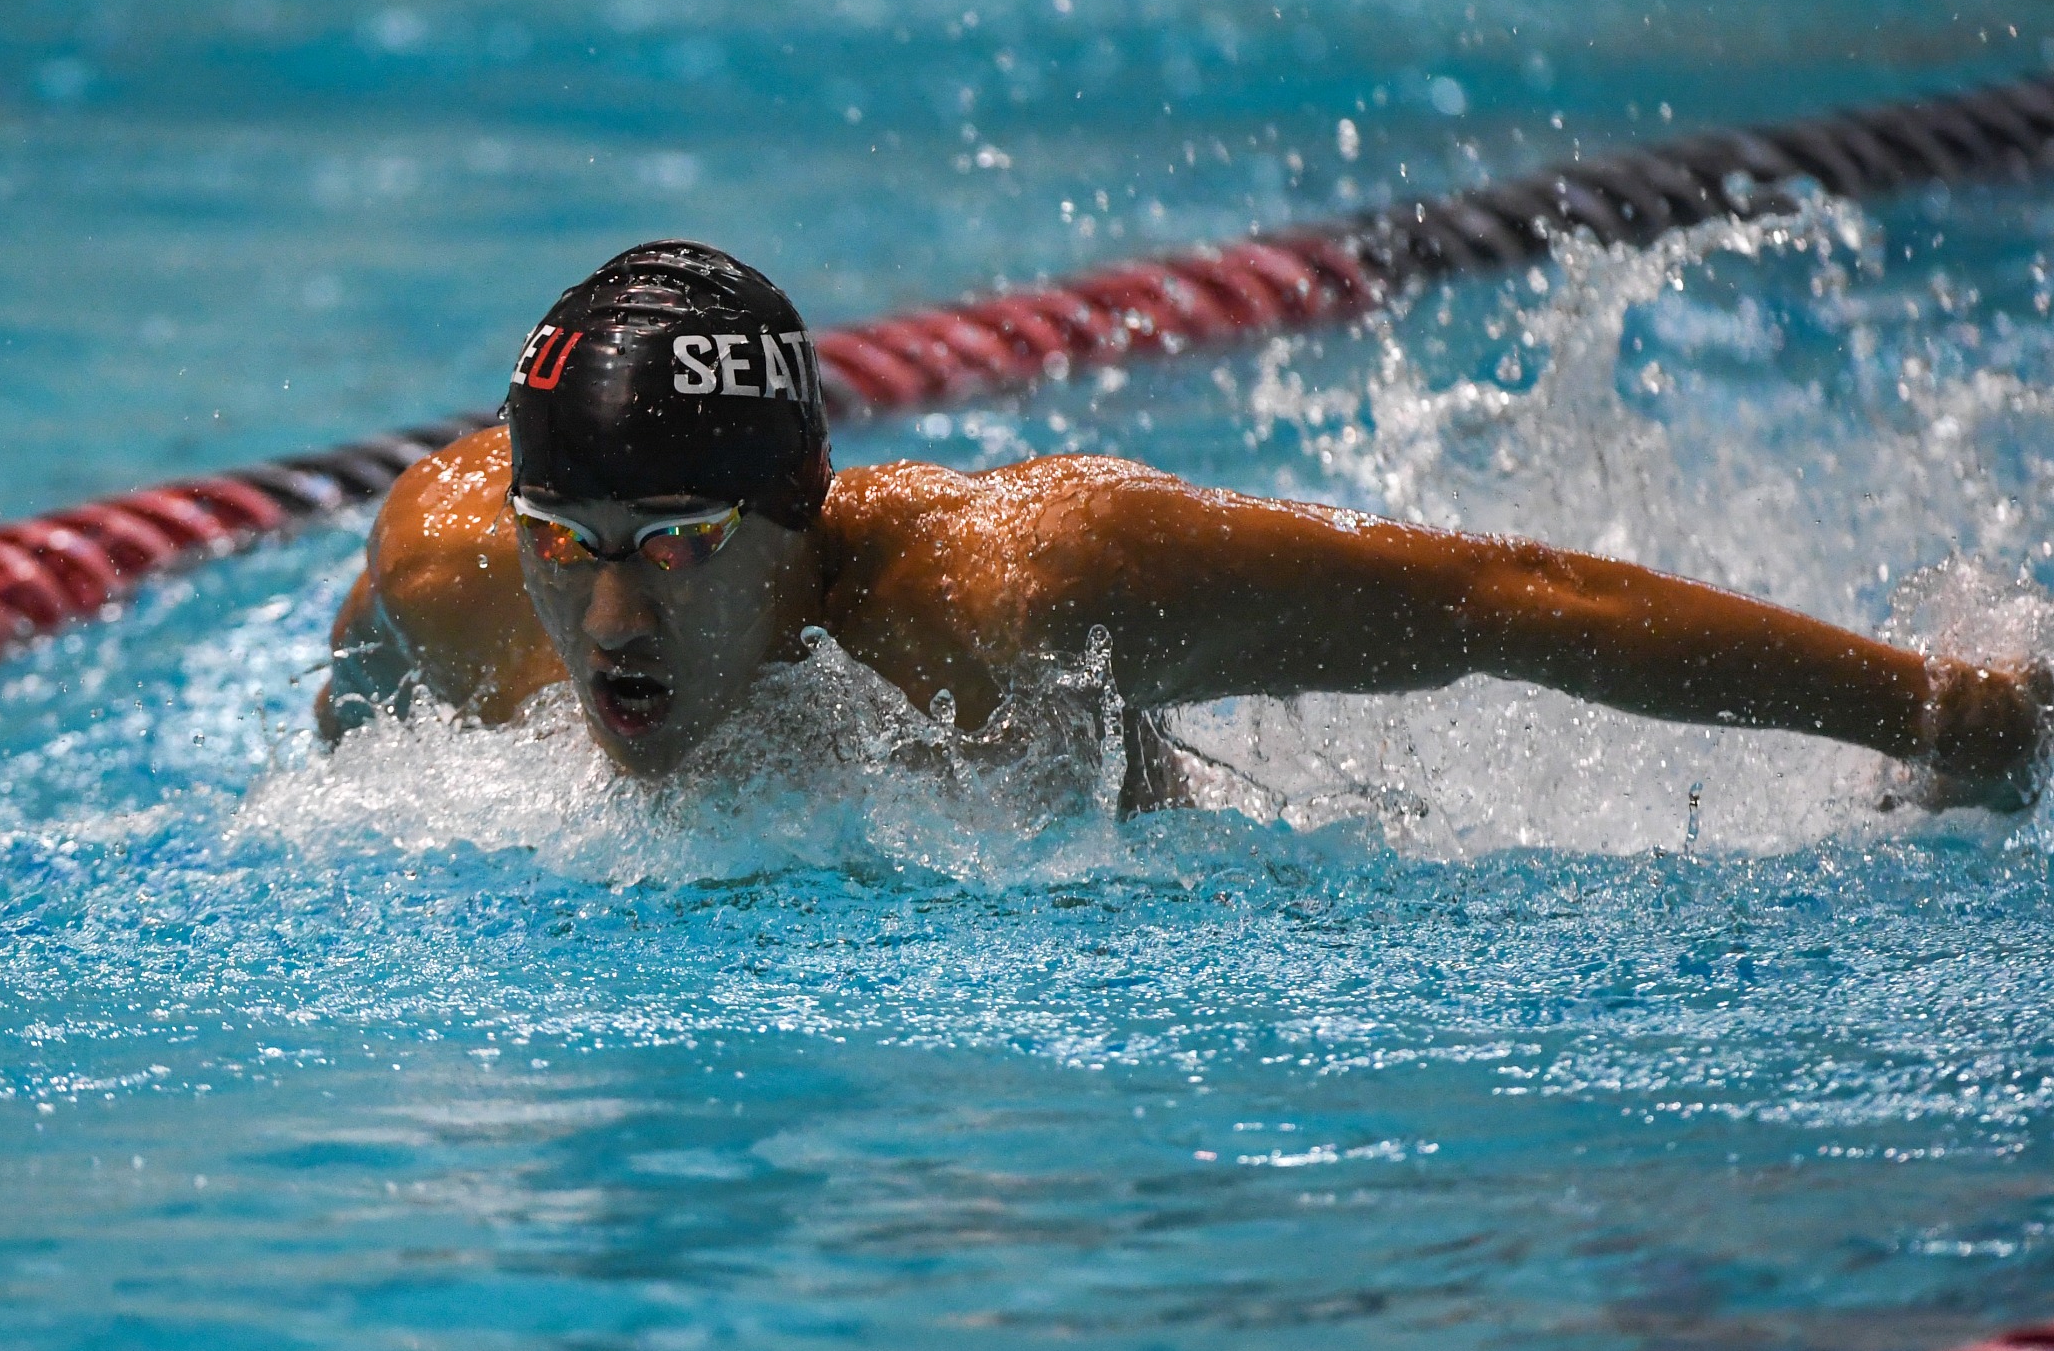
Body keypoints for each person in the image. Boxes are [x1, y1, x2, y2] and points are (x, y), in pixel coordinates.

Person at [316, 240, 2049, 814]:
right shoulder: (455, 572)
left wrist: (1943, 712)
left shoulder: (1015, 589)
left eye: (678, 543)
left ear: (798, 522)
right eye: (573, 541)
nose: (607, 613)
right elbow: (340, 753)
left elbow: (1511, 598)